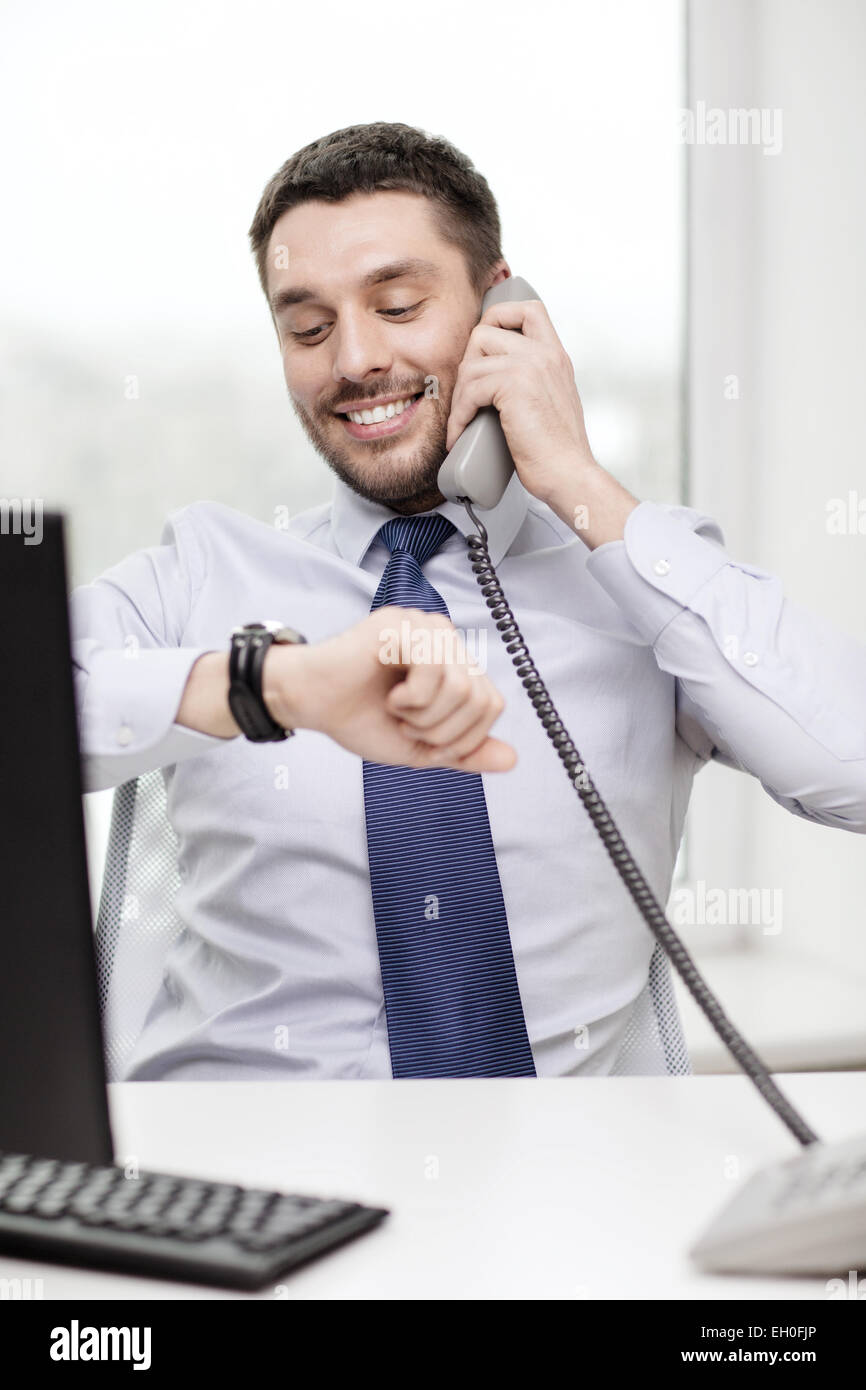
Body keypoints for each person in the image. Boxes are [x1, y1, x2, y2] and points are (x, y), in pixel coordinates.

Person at [71, 121, 866, 1082]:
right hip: (244, 1183)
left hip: (552, 1196)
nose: (356, 359)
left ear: (503, 309)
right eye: (309, 327)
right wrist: (273, 688)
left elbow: (849, 768)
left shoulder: (641, 584)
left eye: (399, 305)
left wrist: (576, 478)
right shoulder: (204, 572)